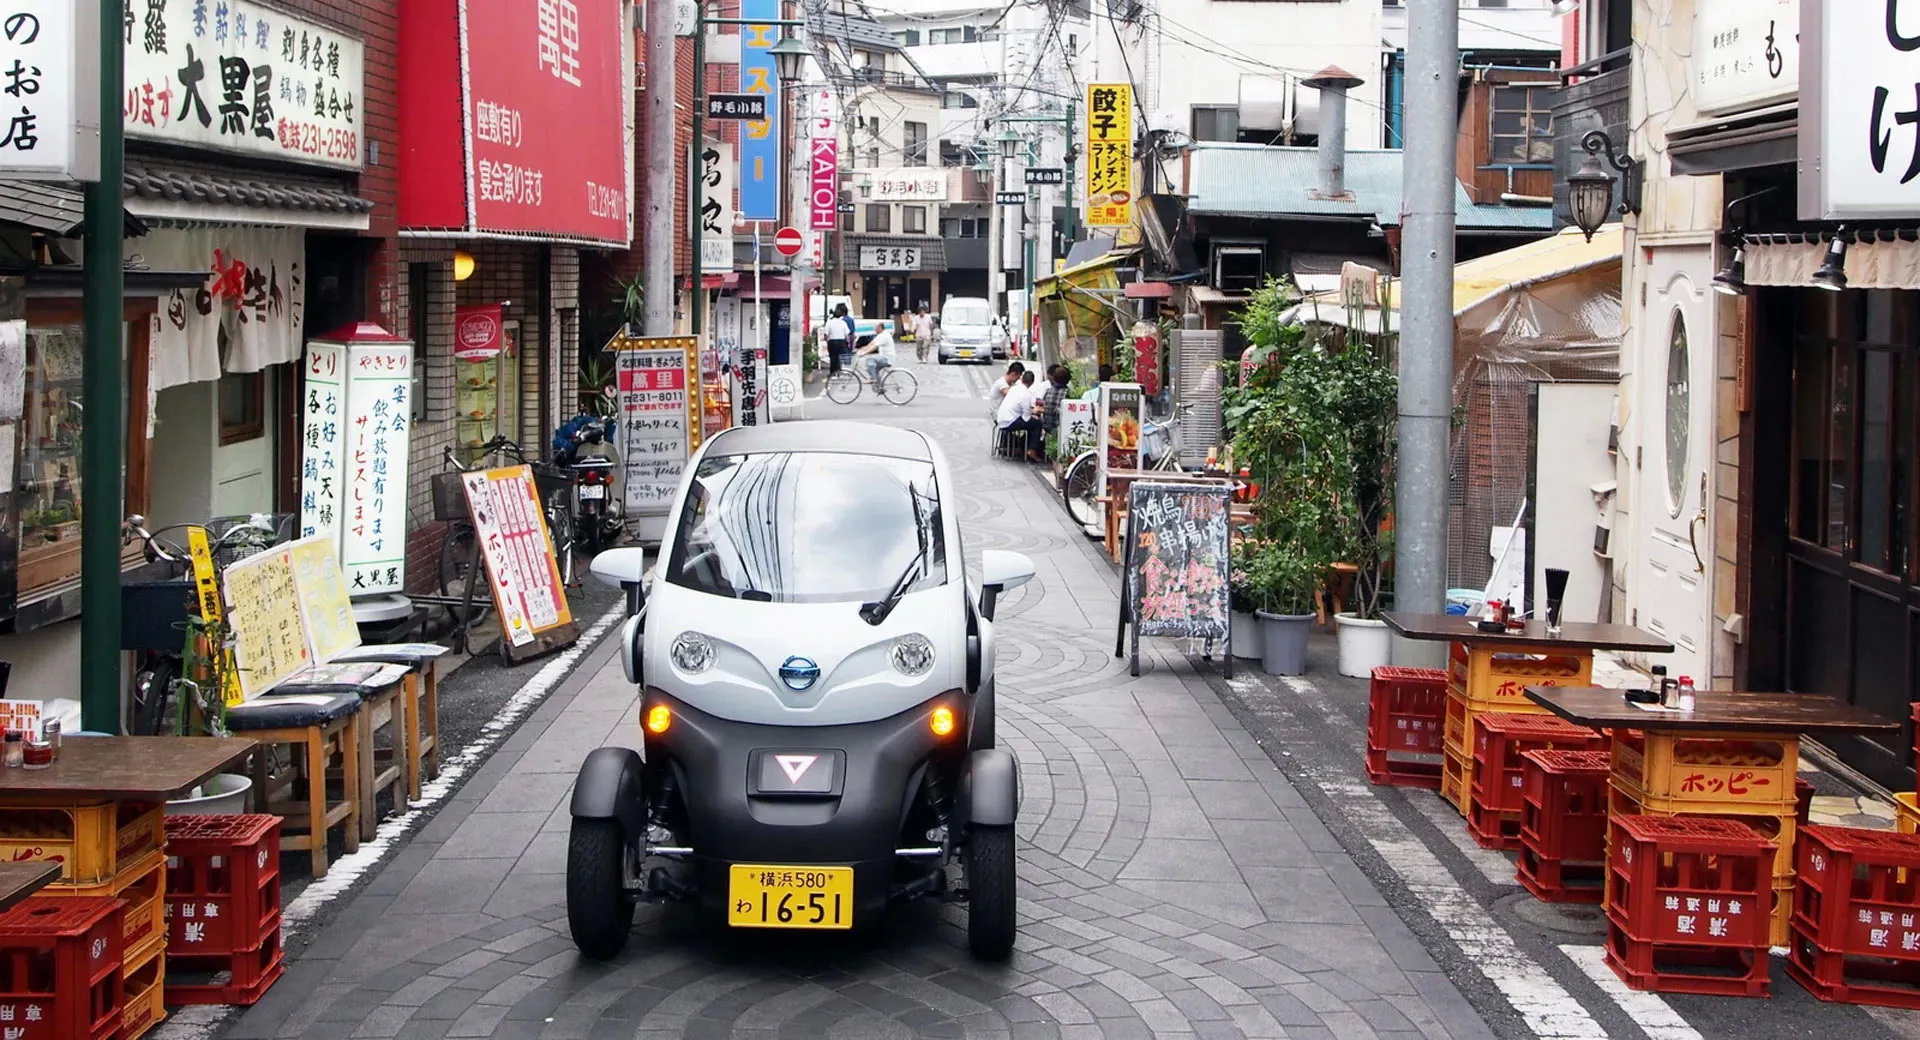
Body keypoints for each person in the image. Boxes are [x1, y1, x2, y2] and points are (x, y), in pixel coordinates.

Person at [995, 366, 1044, 462]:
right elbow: (1026, 417)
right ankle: (1031, 450)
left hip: (1001, 419)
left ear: (1022, 379)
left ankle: (1021, 447)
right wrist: (1034, 412)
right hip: (1010, 421)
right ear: (1031, 383)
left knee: (1032, 423)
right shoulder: (1026, 394)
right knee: (1037, 423)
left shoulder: (1013, 389)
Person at [1039, 364, 1071, 438]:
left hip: (1047, 427)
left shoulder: (1048, 391)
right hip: (1061, 428)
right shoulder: (1068, 393)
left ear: (1054, 378)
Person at [825, 304, 854, 375]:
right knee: (840, 357)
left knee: (832, 357)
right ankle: (839, 372)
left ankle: (832, 373)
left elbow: (826, 334)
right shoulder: (843, 323)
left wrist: (826, 340)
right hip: (841, 342)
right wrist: (847, 343)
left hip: (832, 341)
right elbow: (847, 334)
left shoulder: (829, 323)